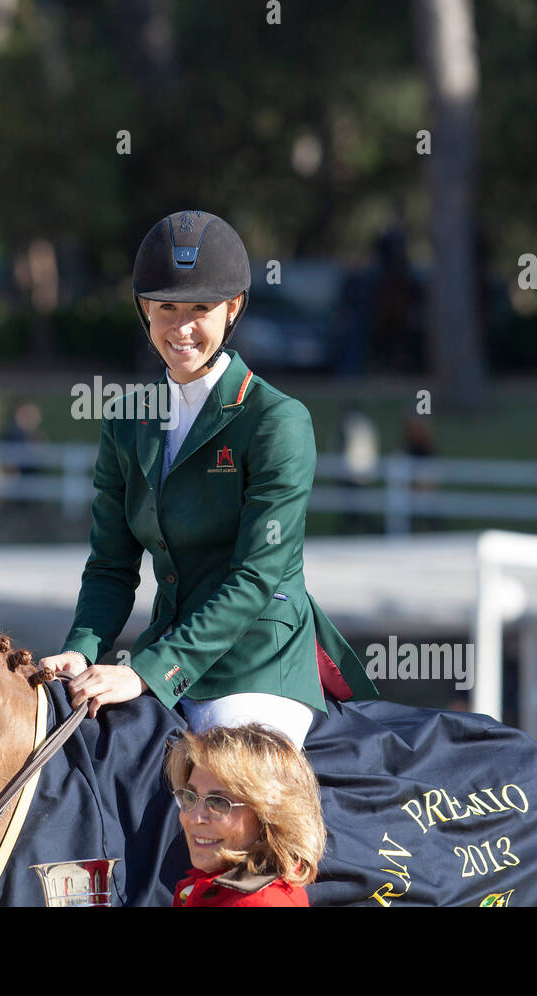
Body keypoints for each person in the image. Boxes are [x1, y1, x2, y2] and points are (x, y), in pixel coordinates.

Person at [39, 210, 375, 748]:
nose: (182, 327)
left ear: (233, 308)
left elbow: (254, 579)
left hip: (257, 665)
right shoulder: (127, 420)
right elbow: (111, 565)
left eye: (200, 308)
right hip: (166, 651)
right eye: (167, 308)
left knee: (224, 789)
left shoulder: (276, 421)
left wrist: (146, 672)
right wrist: (81, 649)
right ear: (144, 309)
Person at [165, 724, 324, 907]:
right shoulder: (207, 884)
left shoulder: (262, 903)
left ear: (269, 817)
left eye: (219, 803)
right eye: (189, 797)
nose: (194, 818)